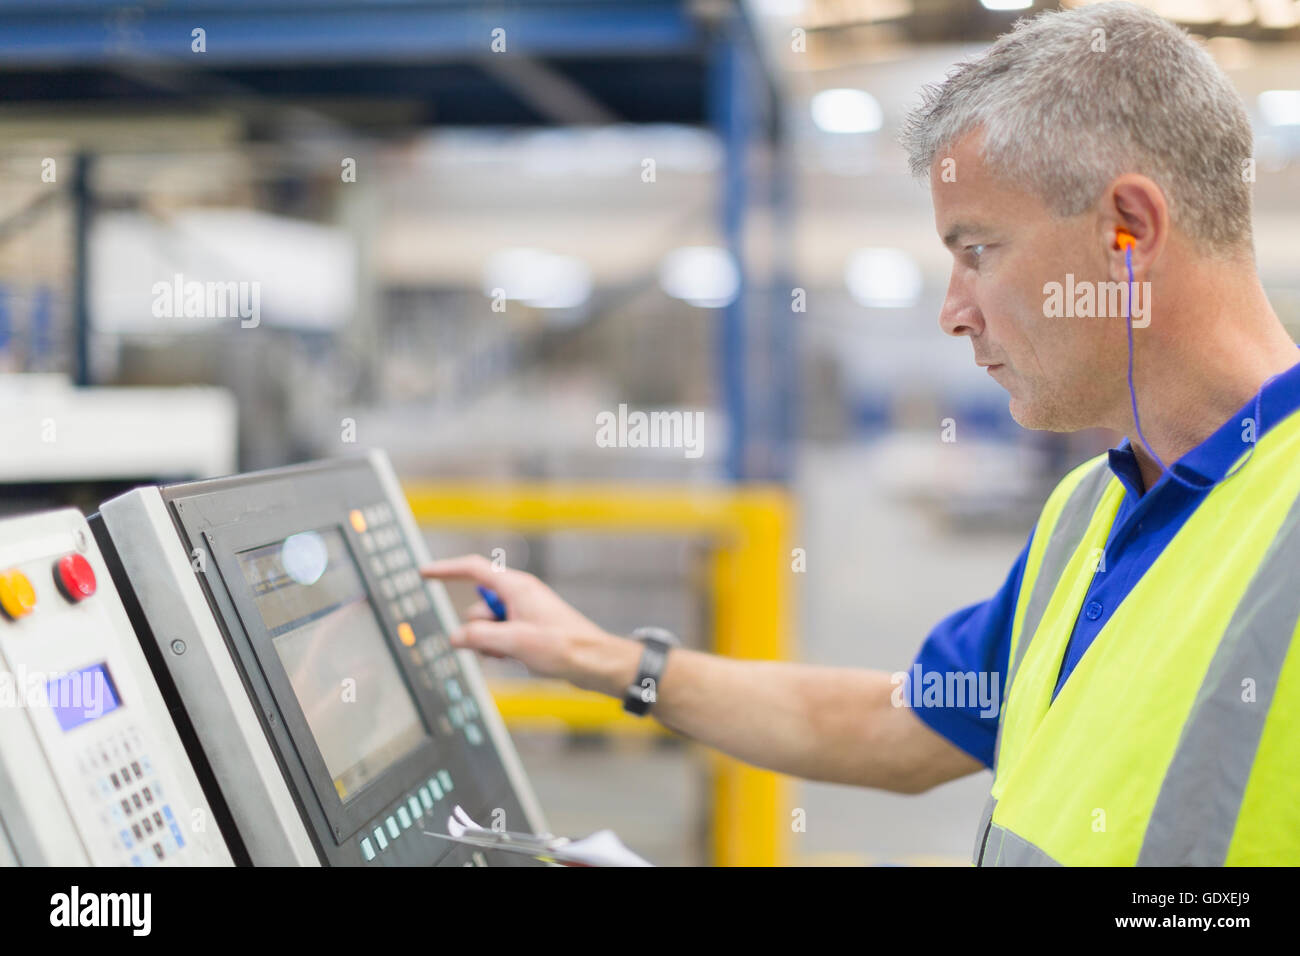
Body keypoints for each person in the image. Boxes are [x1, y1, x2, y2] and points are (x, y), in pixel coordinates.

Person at [422, 2, 1300, 866]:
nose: (955, 313)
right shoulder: (1092, 512)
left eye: (978, 251)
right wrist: (599, 657)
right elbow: (900, 727)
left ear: (1128, 232)